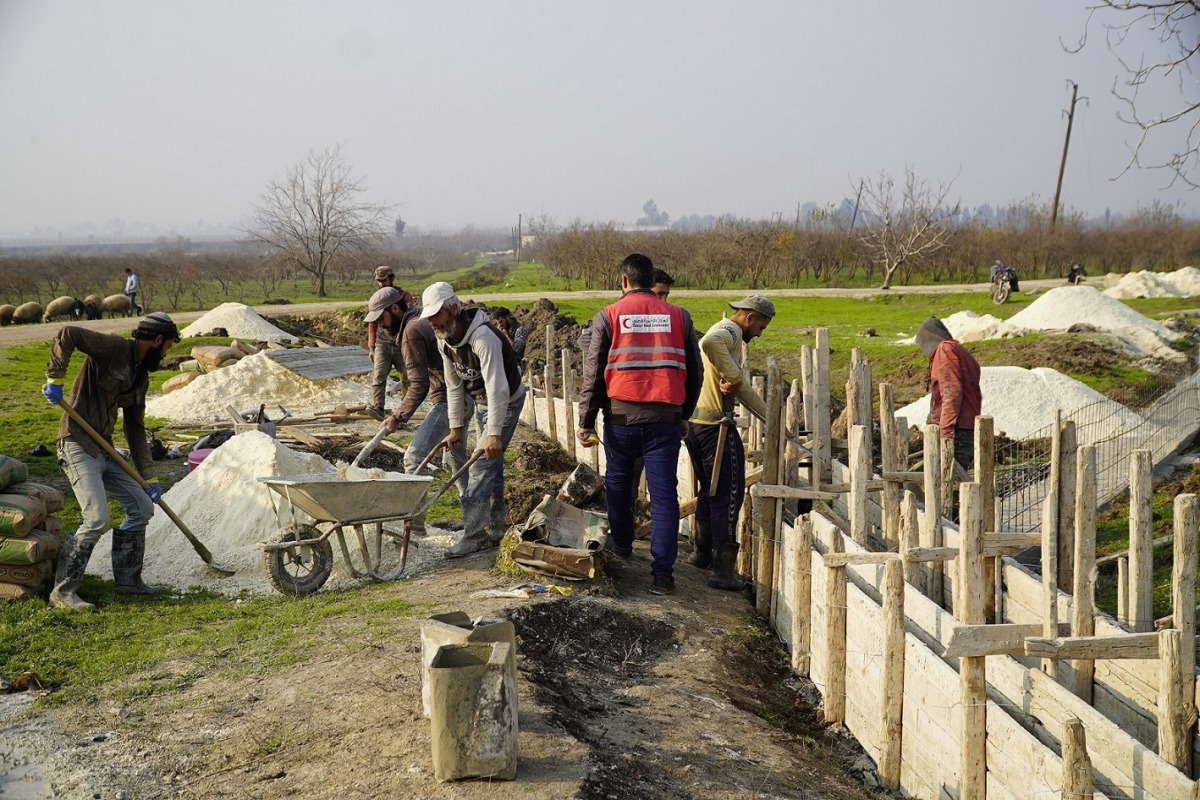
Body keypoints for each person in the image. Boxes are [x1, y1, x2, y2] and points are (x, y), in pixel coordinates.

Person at [576, 254, 701, 596]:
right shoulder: (679, 317)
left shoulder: (609, 315)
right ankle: (662, 575)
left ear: (624, 282)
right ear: (650, 281)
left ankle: (621, 546)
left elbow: (593, 373)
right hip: (665, 421)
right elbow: (696, 372)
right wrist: (684, 414)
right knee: (663, 497)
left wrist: (585, 421)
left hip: (620, 419)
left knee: (617, 481)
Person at [42, 312, 182, 610]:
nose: (168, 351)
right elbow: (70, 333)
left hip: (105, 449)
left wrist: (150, 477)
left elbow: (135, 428)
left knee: (142, 507)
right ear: (157, 340)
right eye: (169, 345)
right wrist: (55, 378)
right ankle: (63, 592)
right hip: (77, 443)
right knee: (97, 518)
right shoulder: (115, 348)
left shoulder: (140, 375)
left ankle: (128, 582)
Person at [422, 281, 527, 557]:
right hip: (481, 401)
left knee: (482, 463)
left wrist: (493, 433)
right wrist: (455, 427)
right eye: (429, 316)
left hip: (507, 400)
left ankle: (474, 535)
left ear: (454, 308)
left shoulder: (483, 337)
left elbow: (498, 388)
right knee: (491, 462)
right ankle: (495, 526)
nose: (433, 321)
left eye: (437, 315)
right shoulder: (444, 339)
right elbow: (454, 386)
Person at [687, 294, 776, 590]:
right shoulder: (731, 331)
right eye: (761, 326)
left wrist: (770, 419)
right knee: (729, 493)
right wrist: (735, 375)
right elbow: (708, 343)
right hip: (715, 428)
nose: (760, 334)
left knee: (709, 491)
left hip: (696, 425)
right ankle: (722, 572)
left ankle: (701, 555)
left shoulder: (727, 330)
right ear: (750, 318)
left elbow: (740, 389)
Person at [381, 296, 471, 535]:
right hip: (464, 395)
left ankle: (416, 530)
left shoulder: (411, 331)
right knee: (456, 459)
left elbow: (418, 384)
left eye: (382, 318)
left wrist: (398, 416)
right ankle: (476, 524)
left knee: (414, 458)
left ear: (395, 309)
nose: (380, 325)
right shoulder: (419, 319)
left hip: (449, 400)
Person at [915, 316, 982, 476]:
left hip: (956, 431)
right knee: (954, 482)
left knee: (949, 483)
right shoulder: (958, 350)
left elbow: (951, 392)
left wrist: (945, 432)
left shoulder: (945, 350)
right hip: (964, 426)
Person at [365, 266, 412, 419]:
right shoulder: (376, 300)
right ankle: (378, 407)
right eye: (379, 281)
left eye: (384, 280)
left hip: (401, 344)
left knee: (407, 378)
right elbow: (372, 324)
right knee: (379, 375)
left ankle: (404, 412)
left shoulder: (404, 297)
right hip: (382, 344)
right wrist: (371, 347)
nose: (381, 284)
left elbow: (410, 320)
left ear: (391, 278)